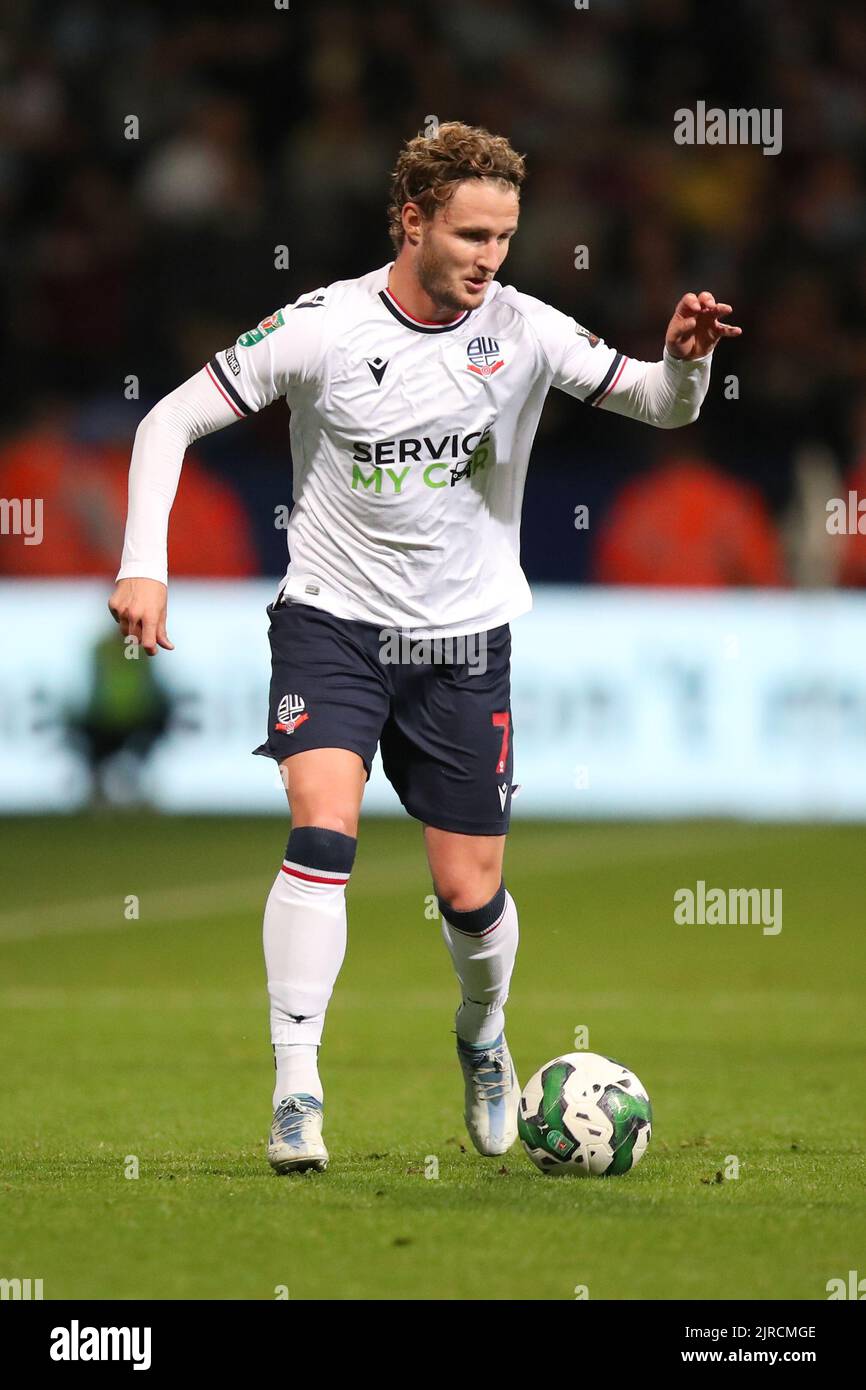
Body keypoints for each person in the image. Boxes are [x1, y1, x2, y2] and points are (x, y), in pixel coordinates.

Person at [108, 121, 741, 1174]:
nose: (490, 258)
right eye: (471, 235)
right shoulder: (319, 327)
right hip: (331, 623)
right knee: (323, 826)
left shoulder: (525, 328)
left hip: (462, 644)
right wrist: (144, 562)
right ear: (412, 222)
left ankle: (484, 1038)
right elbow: (163, 423)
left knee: (468, 893)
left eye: (504, 237)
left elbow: (657, 406)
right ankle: (295, 1086)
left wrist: (686, 364)